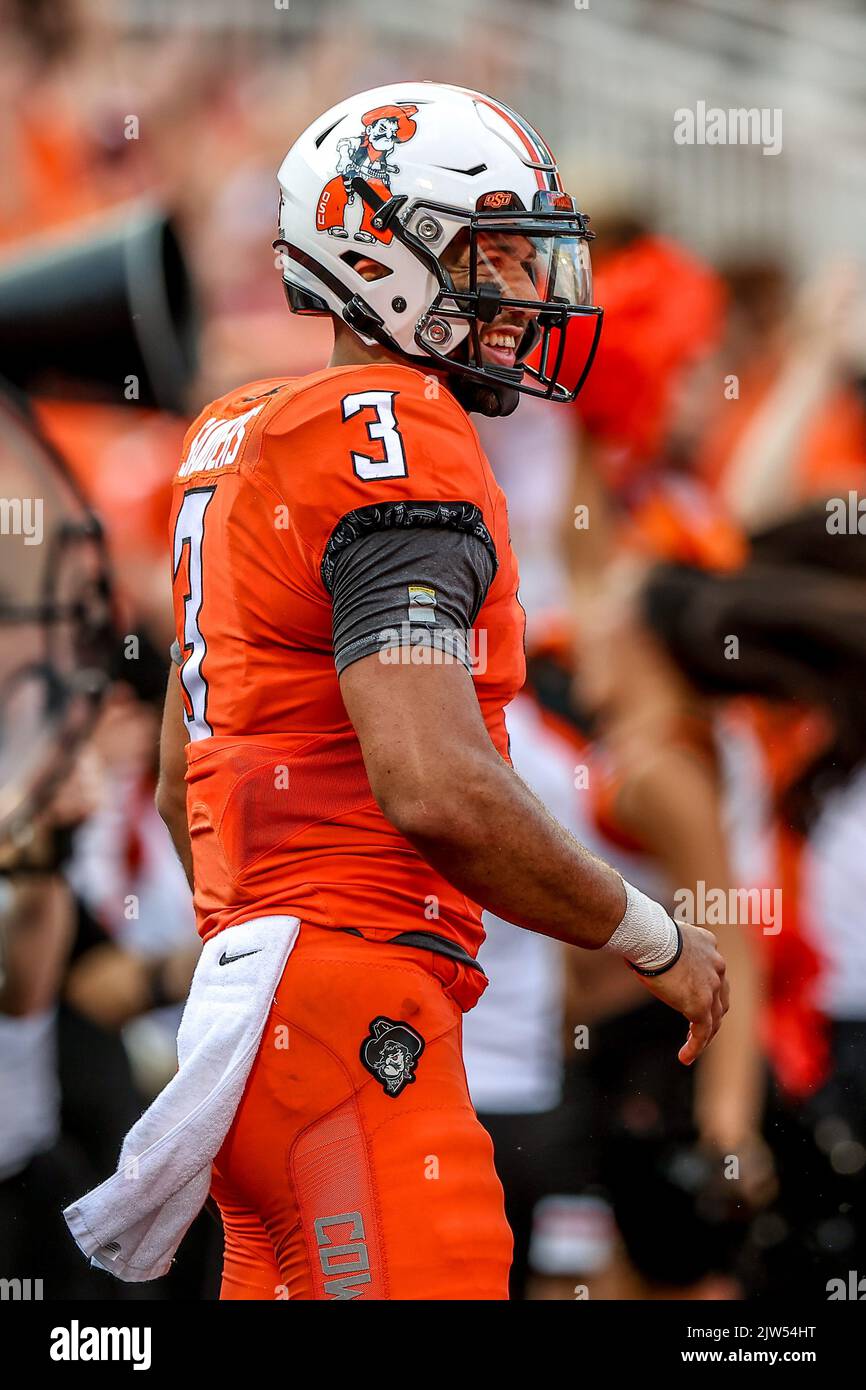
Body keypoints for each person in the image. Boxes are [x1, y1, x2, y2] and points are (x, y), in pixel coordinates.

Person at [146, 82, 729, 1302]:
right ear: (376, 250)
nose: (527, 293)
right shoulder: (393, 437)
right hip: (352, 1011)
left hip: (256, 1010)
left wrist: (267, 966)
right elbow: (434, 782)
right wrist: (646, 931)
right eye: (493, 254)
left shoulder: (243, 427)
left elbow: (175, 783)